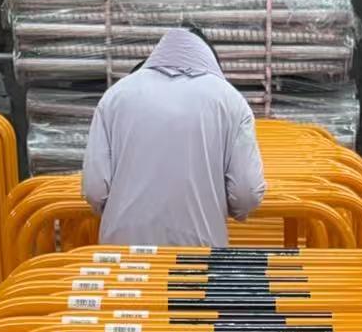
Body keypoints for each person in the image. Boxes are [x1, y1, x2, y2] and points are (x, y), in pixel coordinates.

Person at [82, 22, 266, 246]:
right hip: (199, 249)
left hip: (122, 249)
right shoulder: (231, 101)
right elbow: (246, 193)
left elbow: (95, 189)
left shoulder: (116, 96)